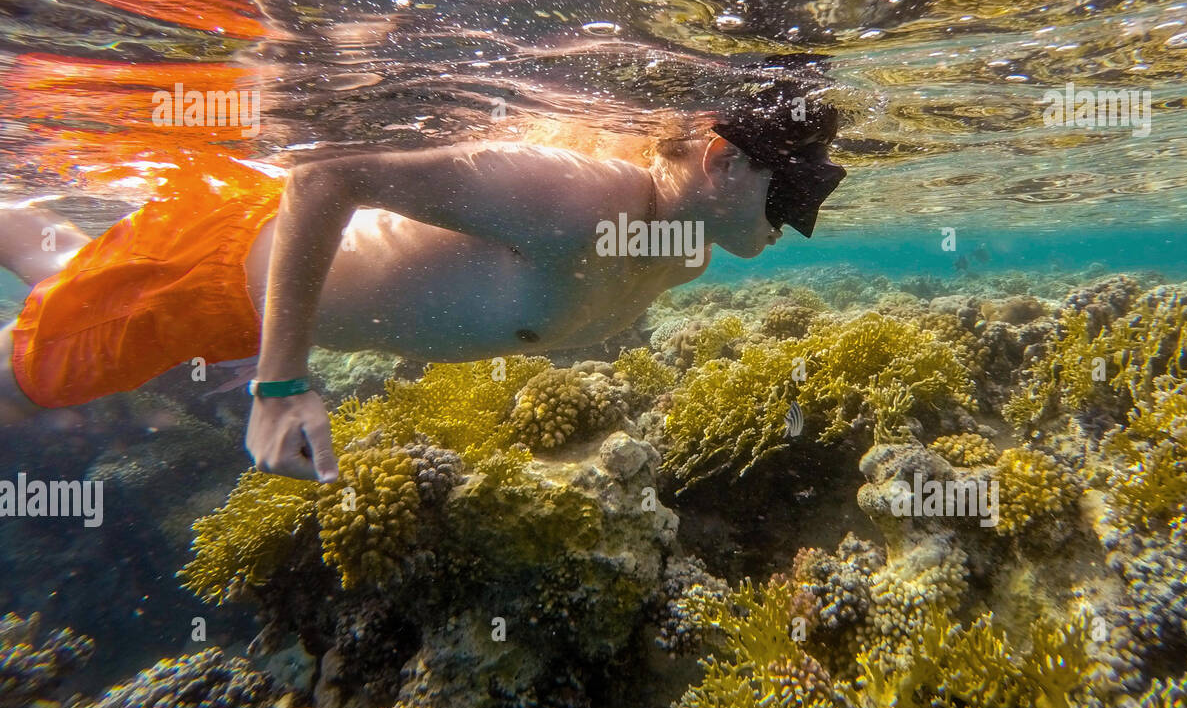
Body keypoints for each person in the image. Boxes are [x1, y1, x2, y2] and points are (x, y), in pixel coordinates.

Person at [0, 93, 844, 483]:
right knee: (26, 377)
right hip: (208, 277)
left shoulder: (684, 251)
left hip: (250, 273)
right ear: (724, 161)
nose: (801, 221)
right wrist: (281, 382)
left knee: (67, 262)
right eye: (796, 193)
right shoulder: (575, 198)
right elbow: (323, 182)